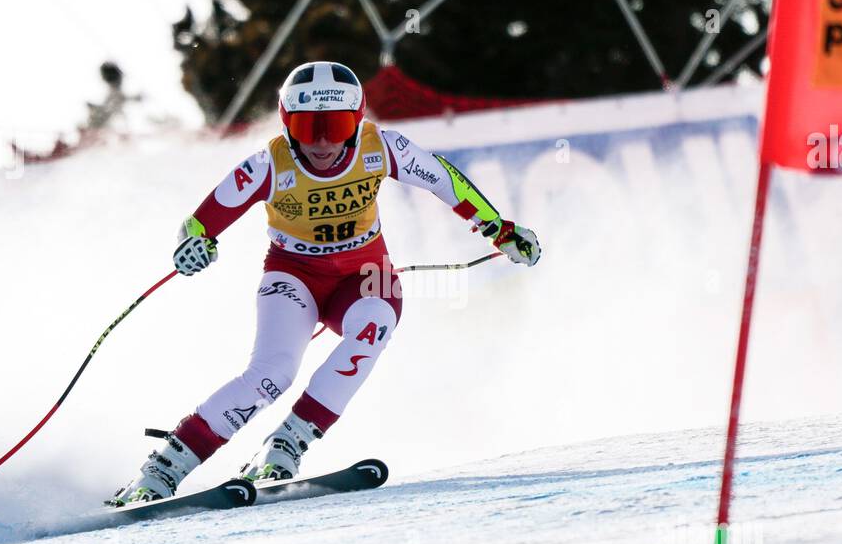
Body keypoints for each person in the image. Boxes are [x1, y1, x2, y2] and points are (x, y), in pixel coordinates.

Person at [109, 61, 541, 505]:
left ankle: (285, 446)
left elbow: (446, 181)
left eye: (333, 126)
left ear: (356, 120)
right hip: (293, 277)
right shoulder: (269, 164)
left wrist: (499, 229)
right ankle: (162, 469)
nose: (320, 142)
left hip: (363, 276)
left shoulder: (383, 148)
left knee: (374, 325)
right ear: (285, 123)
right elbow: (200, 223)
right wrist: (195, 246)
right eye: (305, 126)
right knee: (272, 374)